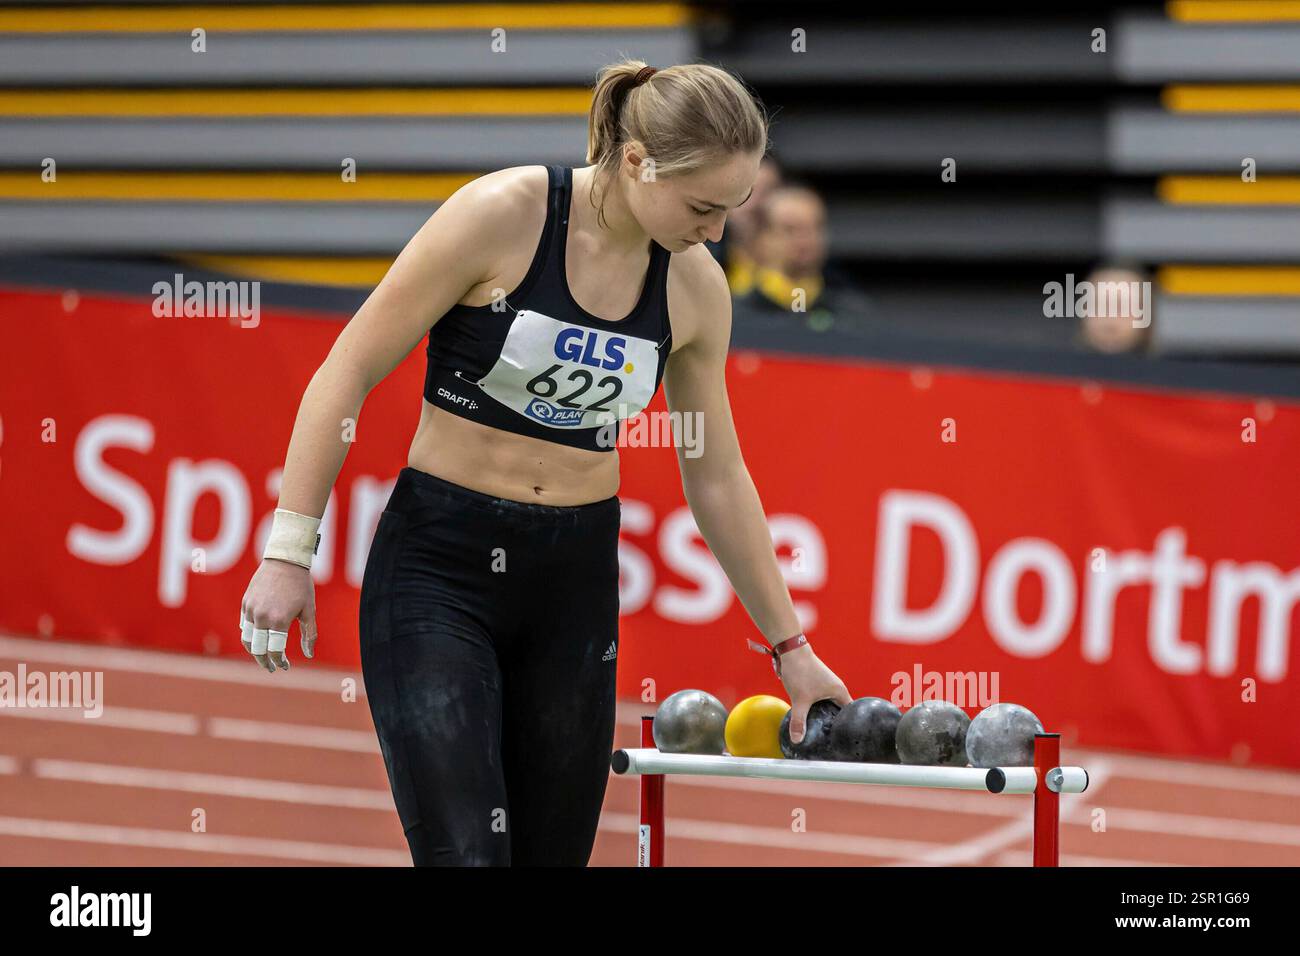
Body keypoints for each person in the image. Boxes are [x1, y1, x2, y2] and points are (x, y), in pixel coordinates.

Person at [237, 59, 852, 867]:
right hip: (440, 569)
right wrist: (289, 552)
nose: (714, 233)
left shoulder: (696, 288)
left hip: (573, 583)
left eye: (732, 212)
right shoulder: (503, 213)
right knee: (467, 854)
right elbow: (344, 372)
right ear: (637, 162)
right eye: (702, 207)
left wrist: (791, 648)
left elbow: (715, 472)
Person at [734, 182, 873, 332]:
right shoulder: (736, 315)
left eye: (815, 228)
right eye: (790, 229)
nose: (805, 240)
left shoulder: (852, 315)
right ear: (761, 239)